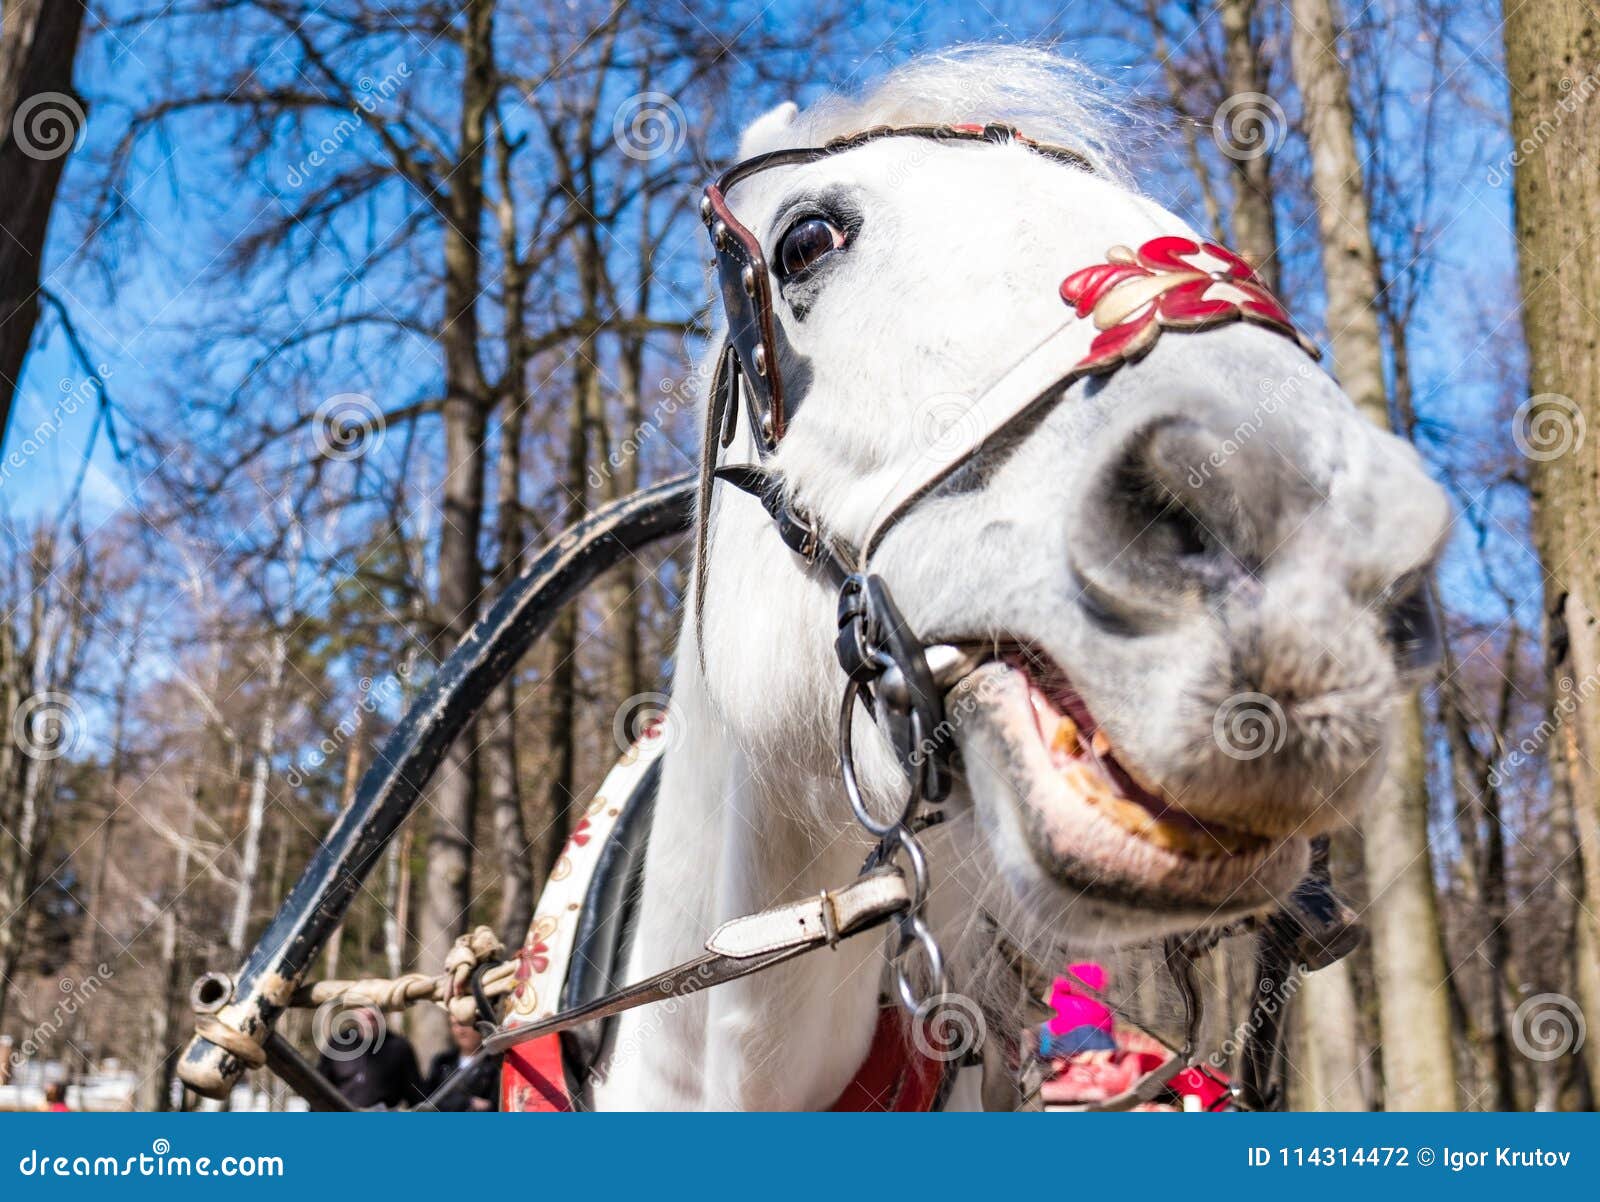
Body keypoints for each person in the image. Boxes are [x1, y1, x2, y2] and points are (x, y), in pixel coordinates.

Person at [315, 1006, 424, 1110]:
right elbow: (318, 1092)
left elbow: (417, 1099)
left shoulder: (400, 1048)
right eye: (363, 1005)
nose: (369, 1011)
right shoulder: (337, 1044)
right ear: (354, 1009)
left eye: (376, 1006)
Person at [423, 1017, 500, 1111]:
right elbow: (427, 1100)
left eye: (466, 1024)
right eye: (455, 1025)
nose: (461, 1031)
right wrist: (467, 1102)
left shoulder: (496, 1064)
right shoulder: (442, 1062)